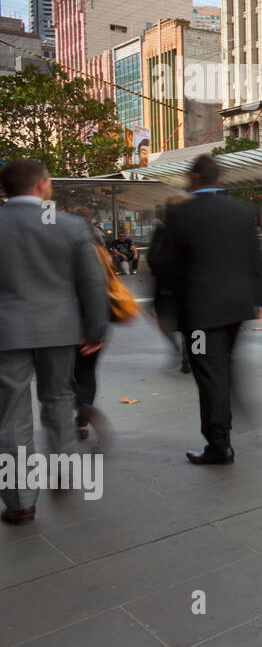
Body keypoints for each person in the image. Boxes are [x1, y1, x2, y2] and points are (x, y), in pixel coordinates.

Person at [0, 159, 107, 524]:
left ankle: (20, 502)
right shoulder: (69, 225)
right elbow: (92, 282)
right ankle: (62, 470)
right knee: (59, 397)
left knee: (11, 413)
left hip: (6, 333)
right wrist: (95, 330)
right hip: (59, 330)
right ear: (43, 185)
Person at [149, 155, 262, 465]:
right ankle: (231, 418)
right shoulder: (240, 211)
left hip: (200, 313)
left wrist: (164, 309)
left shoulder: (181, 214)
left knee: (208, 373)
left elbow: (167, 266)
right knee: (223, 365)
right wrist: (261, 301)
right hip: (236, 309)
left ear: (194, 178)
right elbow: (255, 260)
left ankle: (219, 443)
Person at [67, 207, 120, 442]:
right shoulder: (99, 247)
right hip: (97, 319)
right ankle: (82, 422)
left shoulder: (68, 248)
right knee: (87, 373)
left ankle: (78, 405)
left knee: (63, 373)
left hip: (68, 321)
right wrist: (96, 329)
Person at [151, 194, 191, 373]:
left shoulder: (162, 230)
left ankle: (182, 351)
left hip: (166, 287)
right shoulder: (192, 228)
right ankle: (190, 355)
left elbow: (153, 257)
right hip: (189, 287)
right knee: (191, 325)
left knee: (167, 322)